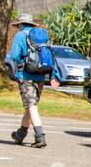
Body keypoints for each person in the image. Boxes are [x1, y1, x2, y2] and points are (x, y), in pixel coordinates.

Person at [5, 14, 61, 148]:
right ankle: (20, 134)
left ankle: (40, 137)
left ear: (20, 24)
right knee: (31, 105)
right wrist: (53, 75)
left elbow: (14, 56)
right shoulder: (42, 36)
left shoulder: (20, 36)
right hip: (41, 76)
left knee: (31, 106)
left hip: (26, 75)